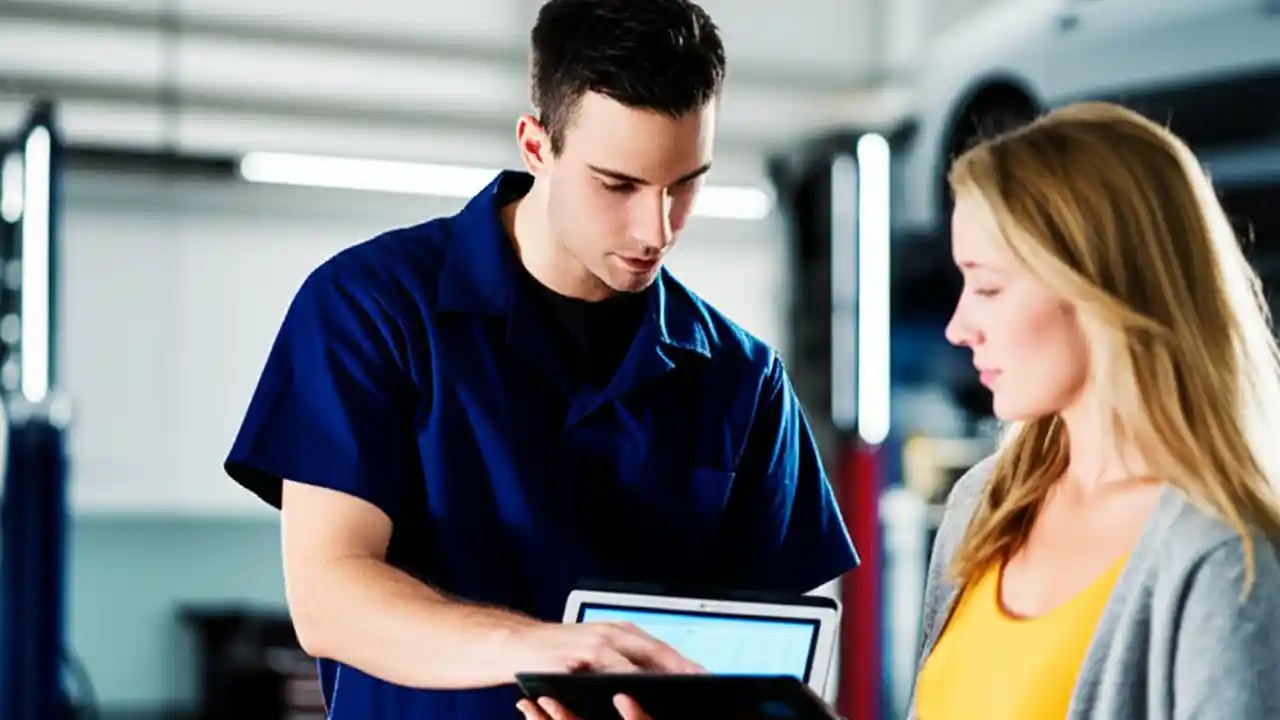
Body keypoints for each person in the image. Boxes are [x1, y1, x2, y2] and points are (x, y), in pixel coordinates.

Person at [223, 1, 859, 718]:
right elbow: (329, 597)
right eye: (617, 185)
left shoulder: (743, 382)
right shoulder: (369, 307)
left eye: (685, 184)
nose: (657, 228)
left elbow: (772, 662)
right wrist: (548, 650)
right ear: (536, 146)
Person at [906, 102, 1280, 718]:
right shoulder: (982, 508)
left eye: (989, 287)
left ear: (1099, 286)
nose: (958, 327)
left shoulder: (1219, 558)